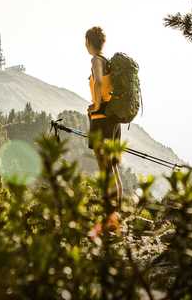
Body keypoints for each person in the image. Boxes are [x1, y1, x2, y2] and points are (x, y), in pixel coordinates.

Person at [85, 26, 122, 233]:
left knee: (105, 168)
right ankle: (117, 213)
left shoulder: (96, 61)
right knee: (113, 167)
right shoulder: (108, 62)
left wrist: (96, 106)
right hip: (113, 120)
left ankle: (110, 217)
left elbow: (98, 82)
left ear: (88, 43)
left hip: (101, 120)